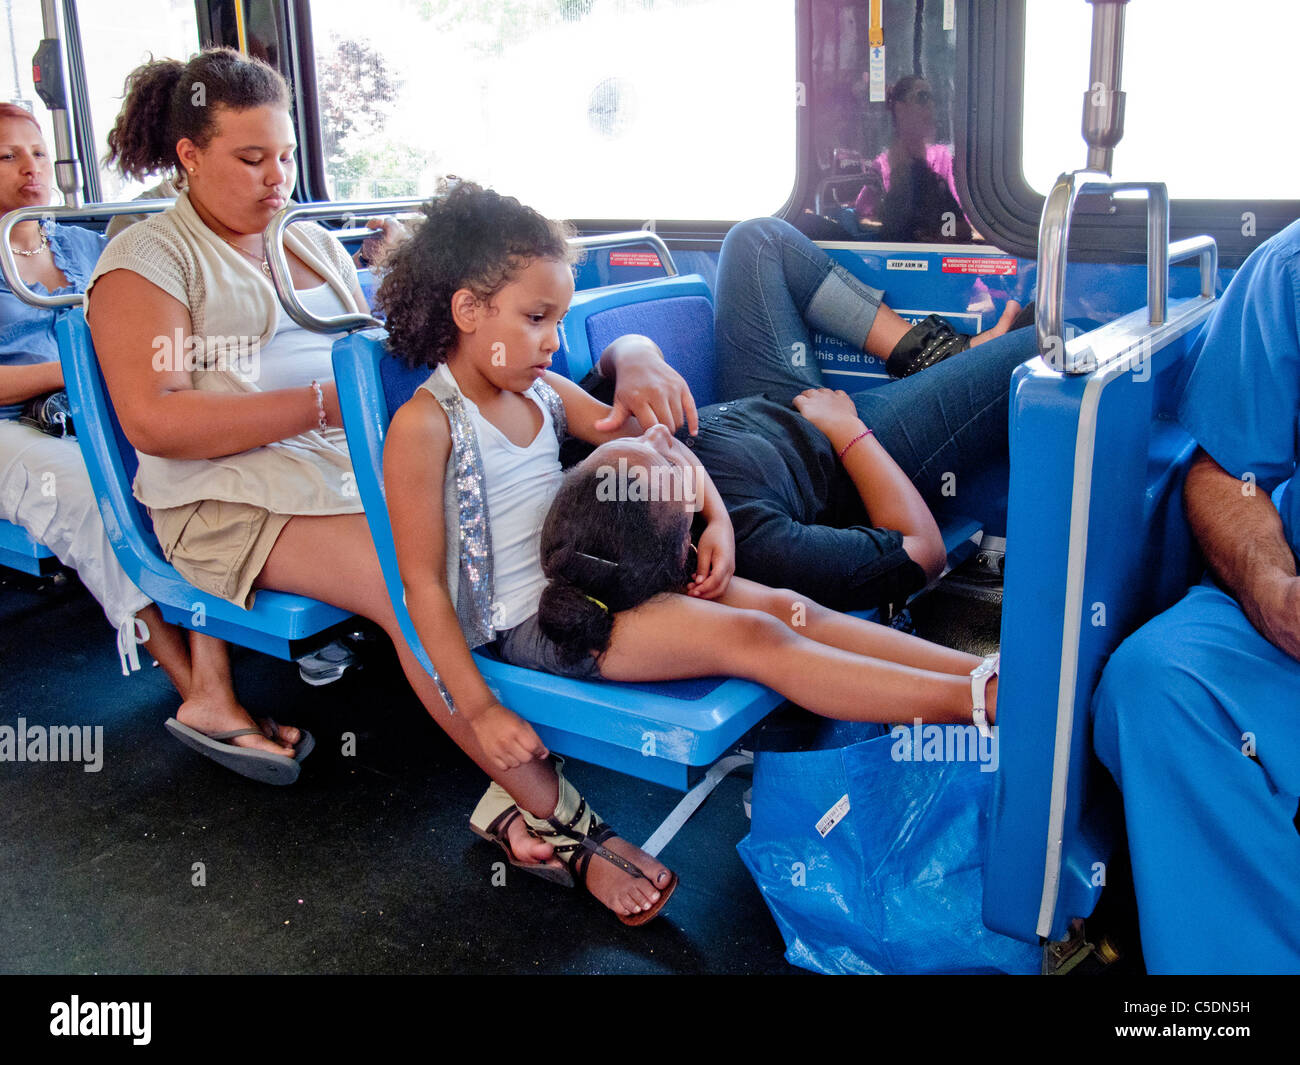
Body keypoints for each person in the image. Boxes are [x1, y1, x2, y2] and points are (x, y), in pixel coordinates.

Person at [88, 50, 689, 924]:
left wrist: (594, 384)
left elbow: (406, 354)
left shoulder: (304, 240)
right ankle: (563, 820)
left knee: (511, 518)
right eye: (250, 159)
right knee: (407, 575)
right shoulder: (146, 260)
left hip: (337, 465)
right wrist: (327, 404)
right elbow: (154, 419)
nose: (277, 177)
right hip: (228, 502)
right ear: (187, 156)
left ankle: (507, 788)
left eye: (285, 155)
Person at [377, 182, 1003, 874]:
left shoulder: (543, 391)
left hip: (602, 575)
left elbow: (655, 441)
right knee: (758, 634)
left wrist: (718, 520)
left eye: (557, 320)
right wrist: (479, 709)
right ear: (467, 309)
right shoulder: (425, 425)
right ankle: (975, 704)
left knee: (791, 608)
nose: (555, 341)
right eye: (536, 318)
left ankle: (984, 675)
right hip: (544, 622)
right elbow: (422, 590)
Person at [0, 103, 302, 770]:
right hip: (14, 423)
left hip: (92, 402)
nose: (30, 170)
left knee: (180, 461)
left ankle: (220, 669)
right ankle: (195, 685)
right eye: (7, 157)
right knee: (91, 490)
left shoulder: (79, 243)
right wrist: (79, 370)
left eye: (39, 154)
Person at [1091, 220, 1300, 974]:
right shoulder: (1289, 271)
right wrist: (1273, 588)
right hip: (1281, 632)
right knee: (1155, 685)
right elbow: (1225, 472)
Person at [702, 214, 1036, 607]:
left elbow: (614, 395)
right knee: (1055, 346)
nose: (656, 433)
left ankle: (934, 353)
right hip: (841, 453)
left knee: (755, 241)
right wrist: (846, 430)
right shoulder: (756, 544)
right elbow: (921, 555)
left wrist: (632, 355)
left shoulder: (638, 452)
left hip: (756, 411)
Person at [853, 75, 974, 243]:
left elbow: (961, 219)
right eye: (922, 97)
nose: (931, 105)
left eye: (932, 98)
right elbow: (863, 214)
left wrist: (940, 235)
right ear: (900, 108)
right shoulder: (882, 164)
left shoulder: (943, 157)